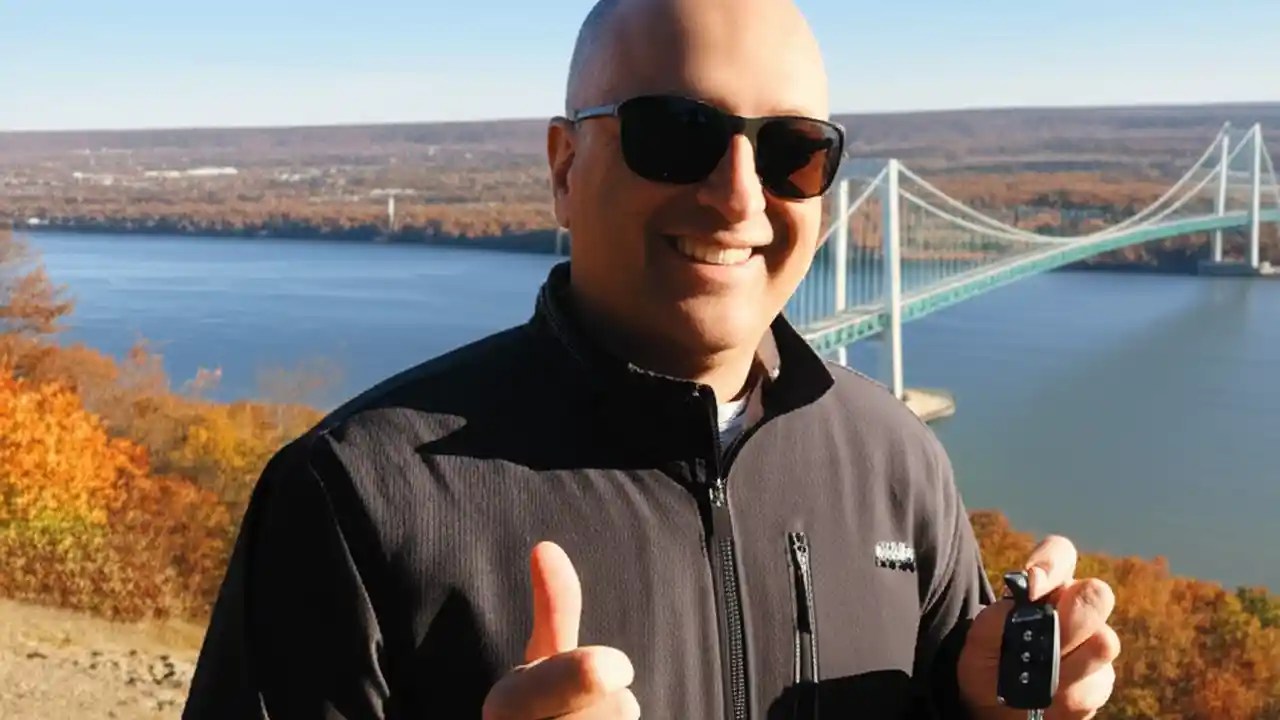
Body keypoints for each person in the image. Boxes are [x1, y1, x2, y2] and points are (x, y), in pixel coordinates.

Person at [183, 0, 1121, 717]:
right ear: (562, 167)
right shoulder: (357, 497)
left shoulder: (894, 459)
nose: (739, 198)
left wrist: (977, 707)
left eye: (795, 151)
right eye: (677, 134)